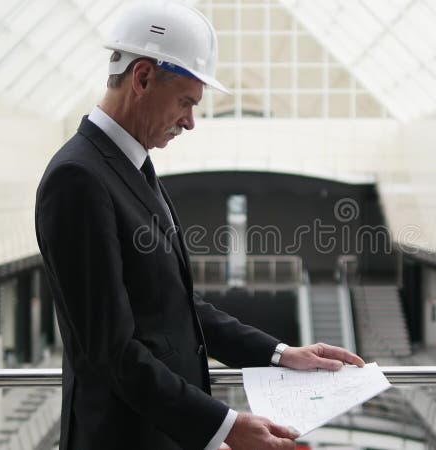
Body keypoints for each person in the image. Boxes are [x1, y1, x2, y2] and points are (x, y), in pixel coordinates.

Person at [34, 1, 365, 449]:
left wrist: (281, 355)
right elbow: (112, 351)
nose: (190, 122)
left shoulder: (132, 168)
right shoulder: (78, 179)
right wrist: (226, 427)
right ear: (143, 77)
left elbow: (179, 309)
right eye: (186, 102)